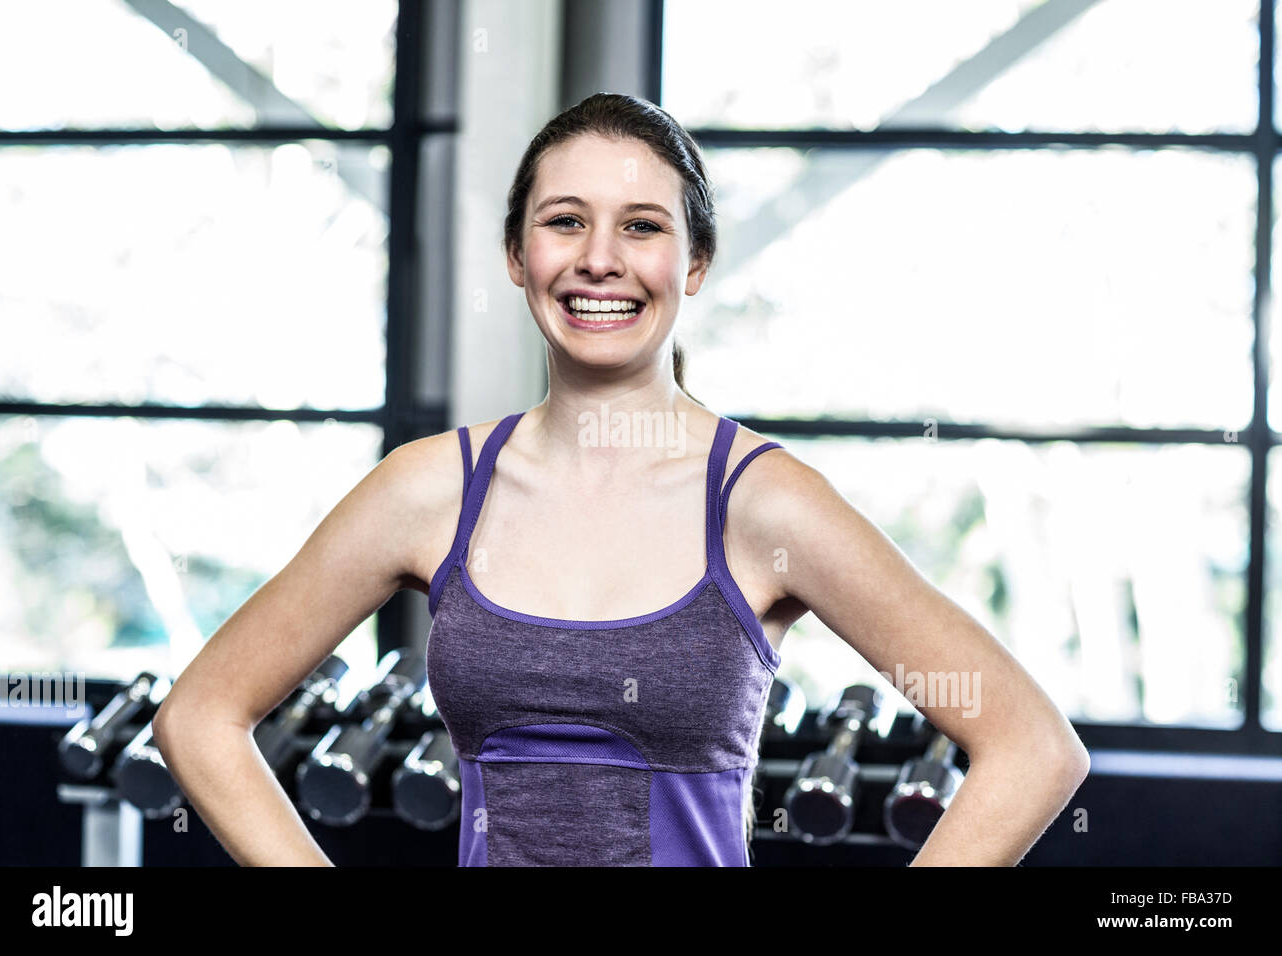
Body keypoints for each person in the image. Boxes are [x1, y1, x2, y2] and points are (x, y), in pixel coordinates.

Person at [155, 92, 1089, 867]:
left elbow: (1031, 747)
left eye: (641, 227)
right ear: (519, 257)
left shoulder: (763, 503)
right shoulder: (429, 491)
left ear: (693, 264)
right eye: (565, 222)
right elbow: (200, 718)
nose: (599, 258)